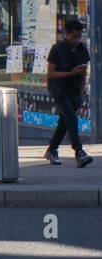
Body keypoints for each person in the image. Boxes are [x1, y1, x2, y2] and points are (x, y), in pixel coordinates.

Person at [46, 19, 92, 167]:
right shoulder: (57, 49)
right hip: (59, 89)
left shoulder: (82, 49)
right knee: (71, 119)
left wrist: (82, 89)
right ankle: (79, 152)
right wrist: (70, 73)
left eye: (79, 36)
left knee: (64, 122)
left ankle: (52, 149)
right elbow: (51, 73)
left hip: (74, 89)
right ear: (67, 35)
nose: (77, 40)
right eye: (74, 37)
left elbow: (83, 71)